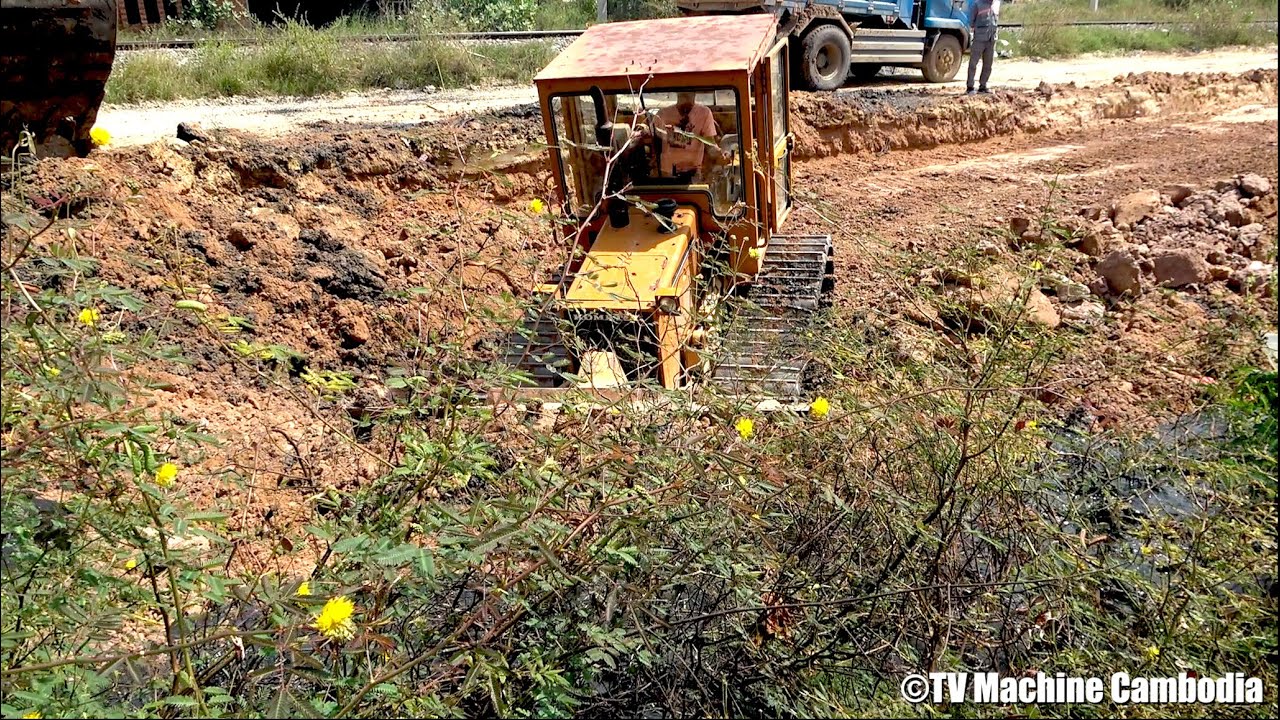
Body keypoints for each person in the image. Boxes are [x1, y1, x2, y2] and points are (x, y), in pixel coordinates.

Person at [655, 92, 719, 181]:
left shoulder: (704, 114)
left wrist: (719, 153)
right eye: (683, 96)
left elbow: (710, 144)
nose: (685, 101)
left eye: (689, 96)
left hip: (693, 172)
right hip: (668, 173)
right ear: (677, 94)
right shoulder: (663, 114)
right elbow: (651, 138)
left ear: (694, 94)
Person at [967, 0, 1001, 95]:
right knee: (973, 64)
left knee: (988, 65)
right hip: (979, 39)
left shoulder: (996, 4)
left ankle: (983, 86)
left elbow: (996, 20)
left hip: (991, 39)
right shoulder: (977, 4)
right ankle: (970, 87)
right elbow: (971, 22)